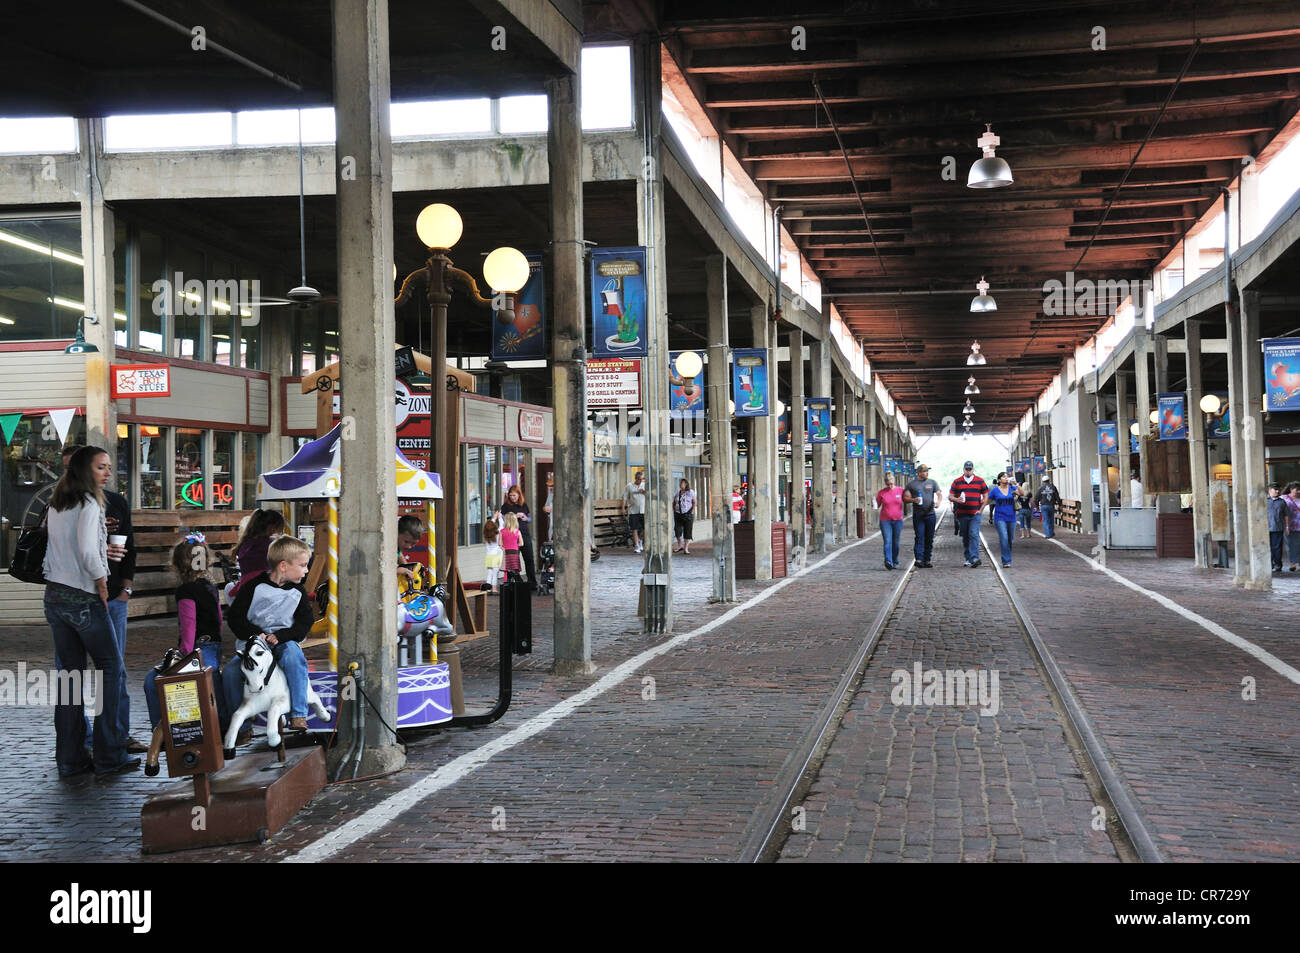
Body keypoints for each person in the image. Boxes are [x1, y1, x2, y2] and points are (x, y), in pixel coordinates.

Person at [43, 446, 137, 777]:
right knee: (111, 671)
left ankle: (70, 759)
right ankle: (110, 756)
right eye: (101, 467)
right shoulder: (88, 503)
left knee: (69, 677)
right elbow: (86, 552)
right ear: (86, 471)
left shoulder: (57, 504)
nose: (108, 473)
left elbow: (63, 549)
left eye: (109, 467)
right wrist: (101, 582)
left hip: (55, 596)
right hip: (83, 596)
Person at [224, 535, 315, 732]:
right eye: (302, 565)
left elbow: (305, 622)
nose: (306, 570)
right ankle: (242, 727)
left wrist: (283, 635)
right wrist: (255, 635)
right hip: (254, 642)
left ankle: (299, 713)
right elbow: (235, 617)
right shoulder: (254, 587)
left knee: (294, 659)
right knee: (231, 672)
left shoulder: (298, 592)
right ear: (283, 566)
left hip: (284, 640)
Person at [145, 535, 228, 731]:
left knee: (152, 681)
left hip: (196, 647)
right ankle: (225, 727)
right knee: (213, 683)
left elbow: (188, 626)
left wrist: (184, 654)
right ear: (205, 563)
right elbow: (219, 620)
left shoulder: (185, 591)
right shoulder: (211, 588)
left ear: (175, 566)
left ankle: (163, 731)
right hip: (213, 646)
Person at [228, 507, 286, 599]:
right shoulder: (269, 544)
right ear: (273, 528)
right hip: (262, 588)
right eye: (280, 529)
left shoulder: (246, 542)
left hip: (245, 588)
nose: (280, 533)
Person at [949, 461, 988, 568]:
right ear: (963, 469)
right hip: (962, 514)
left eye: (970, 469)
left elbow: (986, 495)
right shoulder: (957, 482)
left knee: (974, 534)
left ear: (973, 470)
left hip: (975, 514)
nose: (968, 471)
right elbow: (950, 496)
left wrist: (981, 509)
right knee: (965, 536)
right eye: (967, 469)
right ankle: (968, 558)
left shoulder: (980, 481)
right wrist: (957, 499)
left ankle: (975, 557)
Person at [497, 484, 537, 590]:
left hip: (523, 533)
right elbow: (503, 519)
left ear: (519, 495)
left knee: (529, 558)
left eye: (514, 495)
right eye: (510, 495)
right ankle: (515, 582)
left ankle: (532, 583)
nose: (512, 498)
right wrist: (515, 515)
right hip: (511, 535)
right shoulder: (506, 506)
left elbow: (529, 518)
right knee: (512, 559)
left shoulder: (523, 504)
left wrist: (525, 517)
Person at [902, 464, 940, 568]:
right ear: (918, 473)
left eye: (927, 471)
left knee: (929, 537)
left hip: (930, 514)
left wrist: (938, 502)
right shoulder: (911, 485)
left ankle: (927, 559)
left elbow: (939, 493)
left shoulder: (932, 483)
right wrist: (913, 500)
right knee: (919, 536)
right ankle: (919, 559)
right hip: (918, 515)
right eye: (924, 471)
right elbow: (905, 498)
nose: (926, 473)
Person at [988, 471, 1023, 567]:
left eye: (1007, 477)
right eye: (1004, 477)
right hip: (1000, 517)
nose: (1006, 478)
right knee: (1004, 538)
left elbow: (1022, 493)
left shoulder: (1012, 488)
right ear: (999, 480)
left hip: (1011, 517)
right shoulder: (995, 490)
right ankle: (1006, 561)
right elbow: (987, 500)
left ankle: (1007, 556)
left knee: (1010, 539)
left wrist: (1016, 484)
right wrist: (979, 508)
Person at [875, 471, 905, 570]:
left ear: (894, 480)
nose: (889, 483)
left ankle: (895, 560)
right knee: (887, 541)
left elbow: (907, 500)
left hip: (898, 520)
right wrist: (873, 504)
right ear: (885, 482)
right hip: (885, 520)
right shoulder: (881, 492)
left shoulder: (901, 491)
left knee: (895, 542)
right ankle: (888, 560)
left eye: (891, 480)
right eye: (887, 481)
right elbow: (877, 505)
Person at [623, 470, 647, 553]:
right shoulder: (629, 486)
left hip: (644, 510)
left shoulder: (645, 485)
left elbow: (651, 495)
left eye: (642, 479)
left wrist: (644, 492)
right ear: (635, 479)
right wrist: (623, 508)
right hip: (633, 511)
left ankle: (640, 540)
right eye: (639, 479)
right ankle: (637, 545)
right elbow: (625, 497)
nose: (640, 481)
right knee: (634, 528)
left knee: (645, 528)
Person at [396, 514, 424, 582]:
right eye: (406, 541)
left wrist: (413, 571)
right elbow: (381, 570)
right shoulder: (389, 549)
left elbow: (405, 565)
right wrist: (401, 570)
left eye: (413, 544)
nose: (409, 546)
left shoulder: (397, 550)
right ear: (396, 533)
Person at [1267, 483, 1288, 573]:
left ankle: (1278, 564)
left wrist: (1287, 526)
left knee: (1277, 547)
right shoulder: (1264, 501)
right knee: (1267, 547)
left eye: (1278, 489)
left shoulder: (1282, 502)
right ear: (1269, 489)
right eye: (1275, 489)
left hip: (1277, 528)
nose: (1277, 491)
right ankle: (1269, 564)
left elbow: (1286, 515)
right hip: (1265, 529)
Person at [673, 478, 696, 554]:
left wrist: (692, 512)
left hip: (688, 513)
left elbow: (694, 502)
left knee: (687, 531)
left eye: (681, 483)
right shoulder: (678, 492)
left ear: (686, 484)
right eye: (680, 483)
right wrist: (674, 511)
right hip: (678, 514)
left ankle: (686, 548)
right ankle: (680, 545)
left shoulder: (690, 492)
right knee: (677, 530)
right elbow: (674, 502)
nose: (680, 484)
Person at [482, 518, 503, 593]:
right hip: (496, 555)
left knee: (490, 572)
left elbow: (489, 527)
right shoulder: (498, 533)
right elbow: (502, 526)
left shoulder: (486, 534)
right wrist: (499, 517)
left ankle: (488, 588)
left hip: (489, 555)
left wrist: (494, 518)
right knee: (495, 573)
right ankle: (494, 588)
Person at [500, 512, 523, 578]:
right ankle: (516, 585)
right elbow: (521, 543)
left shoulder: (502, 531)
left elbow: (500, 544)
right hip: (515, 552)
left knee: (506, 570)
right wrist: (515, 545)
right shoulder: (517, 531)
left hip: (506, 552)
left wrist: (503, 548)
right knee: (515, 570)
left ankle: (506, 584)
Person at [1015, 474, 1033, 540]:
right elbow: (1031, 501)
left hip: (1021, 509)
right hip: (1028, 509)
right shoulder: (1029, 493)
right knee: (1028, 522)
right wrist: (1035, 507)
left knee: (1022, 522)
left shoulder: (1020, 493)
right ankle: (1028, 534)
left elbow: (1016, 499)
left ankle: (1022, 535)